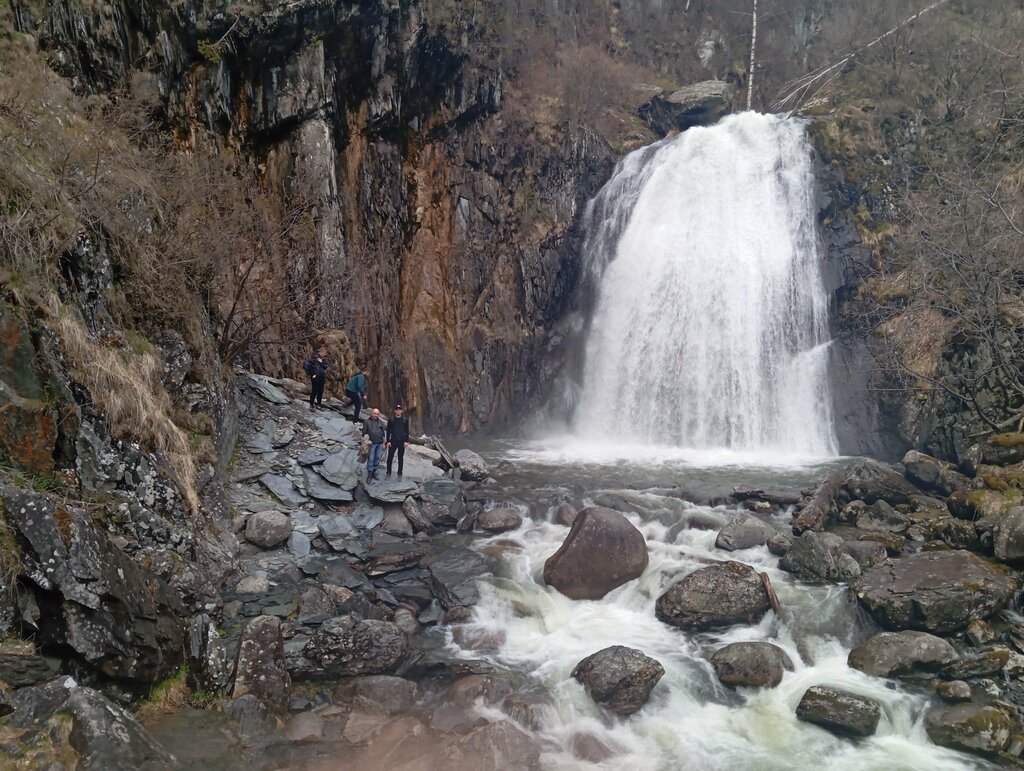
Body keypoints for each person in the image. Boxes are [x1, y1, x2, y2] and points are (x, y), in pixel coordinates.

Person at [385, 403, 410, 480]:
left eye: (399, 409)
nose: (398, 411)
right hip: (393, 441)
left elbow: (407, 431)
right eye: (397, 409)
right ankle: (388, 472)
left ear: (401, 411)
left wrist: (406, 441)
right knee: (389, 458)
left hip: (401, 441)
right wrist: (388, 441)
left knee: (400, 458)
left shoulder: (405, 420)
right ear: (395, 411)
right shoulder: (391, 420)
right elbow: (388, 431)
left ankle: (400, 473)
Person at [362, 408, 387, 481]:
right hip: (371, 443)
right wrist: (367, 440)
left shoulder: (381, 422)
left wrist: (384, 442)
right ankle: (369, 475)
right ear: (371, 413)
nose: (376, 415)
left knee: (378, 458)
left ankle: (374, 472)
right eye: (374, 413)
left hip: (379, 443)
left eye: (377, 414)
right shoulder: (366, 422)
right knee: (371, 459)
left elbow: (384, 432)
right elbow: (364, 433)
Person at [303, 346, 329, 411]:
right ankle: (311, 405)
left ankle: (318, 405)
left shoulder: (323, 359)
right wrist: (311, 373)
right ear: (320, 352)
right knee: (314, 390)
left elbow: (325, 367)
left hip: (322, 376)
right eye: (324, 353)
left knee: (320, 391)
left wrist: (321, 362)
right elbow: (306, 365)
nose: (325, 354)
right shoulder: (313, 358)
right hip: (315, 376)